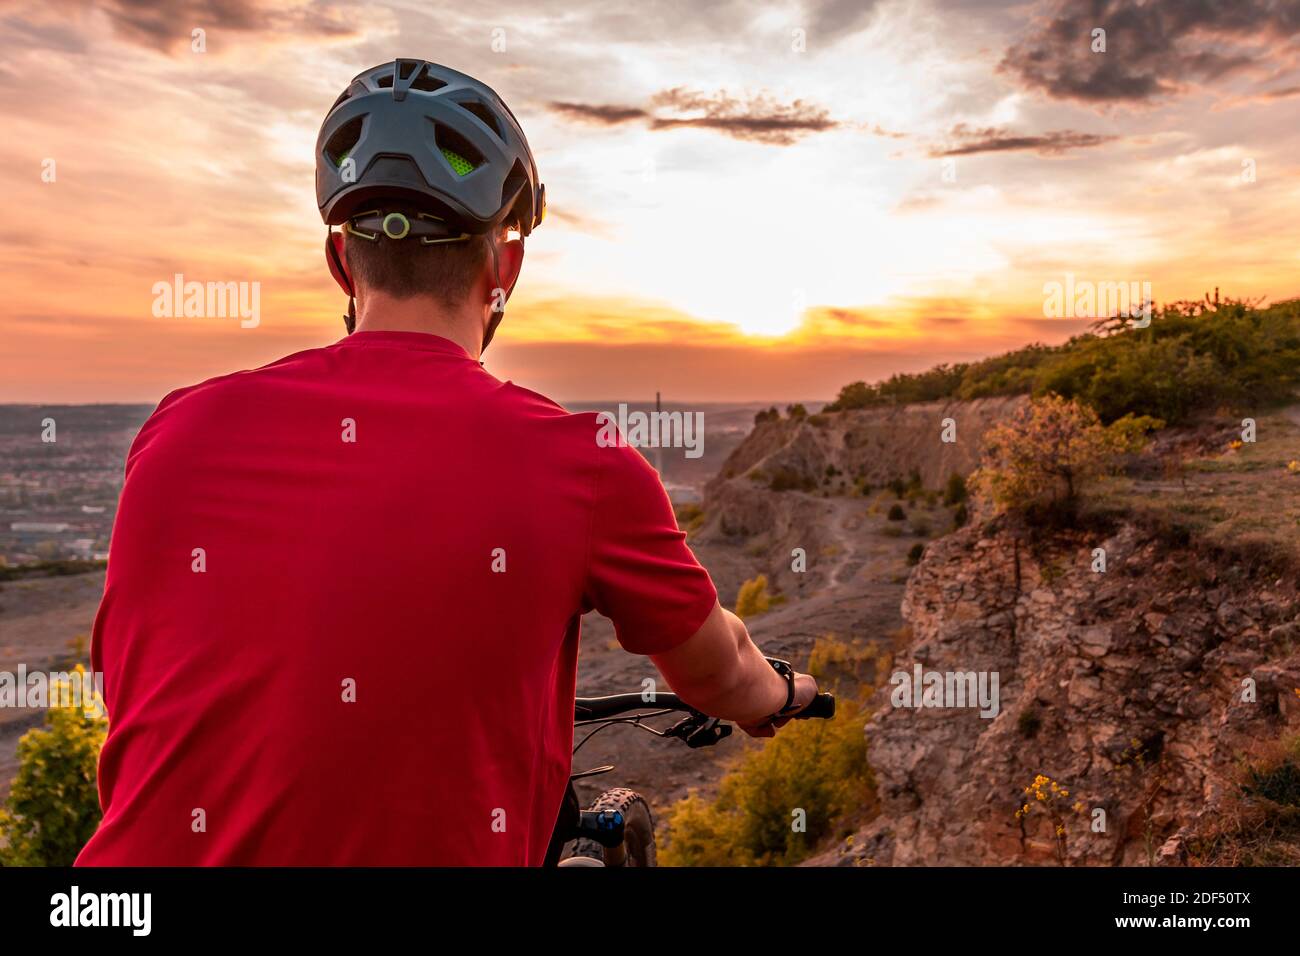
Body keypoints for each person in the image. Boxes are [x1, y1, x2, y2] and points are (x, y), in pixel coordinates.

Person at [76, 59, 816, 866]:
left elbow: (134, 679)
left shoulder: (179, 428)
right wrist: (779, 696)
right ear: (506, 266)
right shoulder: (584, 466)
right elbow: (721, 675)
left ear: (339, 262)